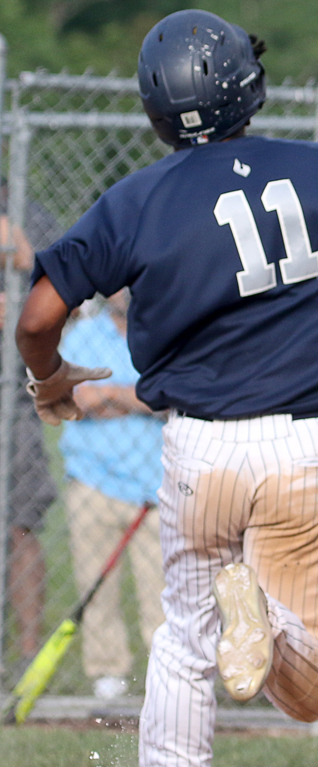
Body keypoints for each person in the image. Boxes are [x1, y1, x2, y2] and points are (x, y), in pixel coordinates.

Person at [15, 10, 318, 767]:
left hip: (198, 450)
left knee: (182, 640)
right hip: (302, 445)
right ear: (251, 87)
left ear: (155, 110)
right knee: (312, 689)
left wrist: (52, 382)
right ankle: (272, 627)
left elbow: (38, 315)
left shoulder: (142, 196)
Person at [59, 289, 165, 701]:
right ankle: (107, 673)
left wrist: (107, 393)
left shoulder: (163, 333)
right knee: (95, 586)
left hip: (155, 483)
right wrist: (135, 396)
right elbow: (72, 398)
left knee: (162, 590)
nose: (127, 289)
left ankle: (166, 672)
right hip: (93, 479)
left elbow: (169, 398)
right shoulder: (83, 336)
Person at [0, 217, 56, 666]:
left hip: (15, 399)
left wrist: (14, 240)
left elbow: (62, 295)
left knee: (22, 526)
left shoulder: (27, 215)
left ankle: (28, 652)